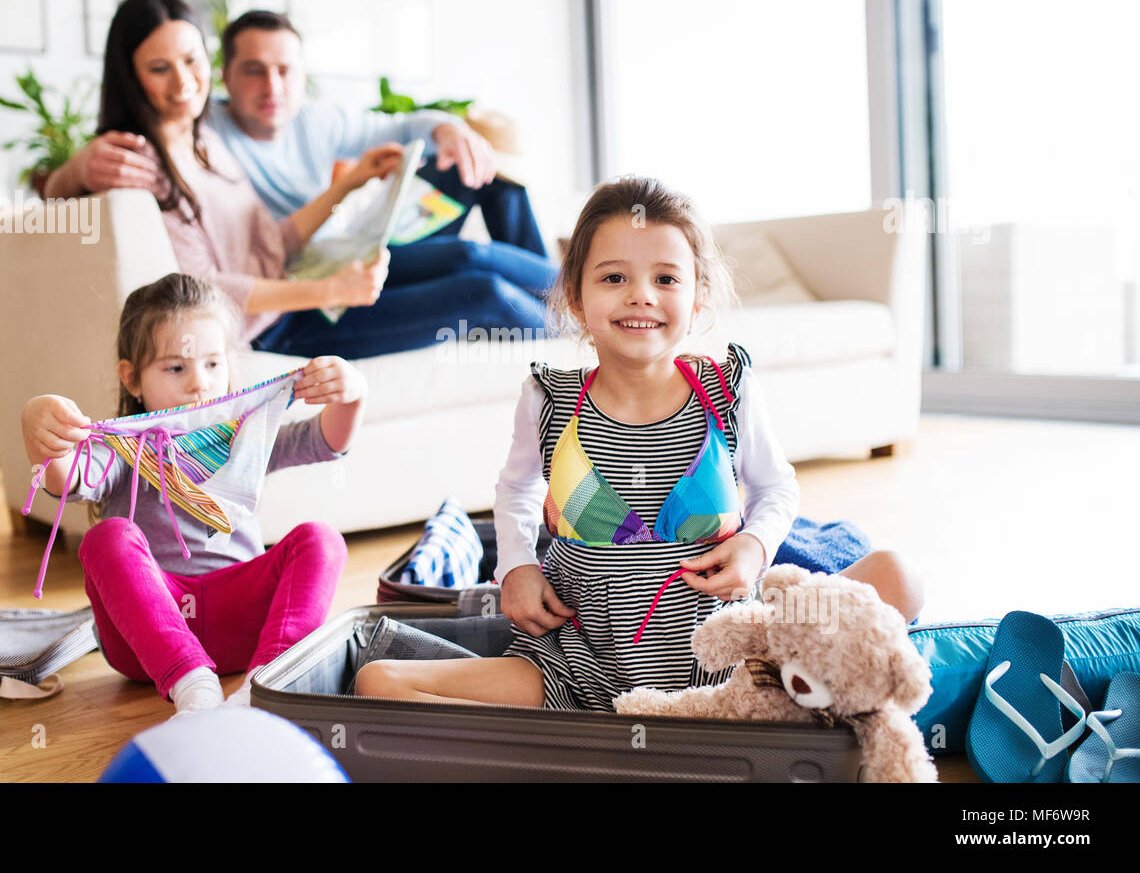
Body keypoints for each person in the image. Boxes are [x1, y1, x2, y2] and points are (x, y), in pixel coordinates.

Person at [354, 176, 925, 710]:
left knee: (899, 576)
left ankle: (696, 723)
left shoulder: (728, 388)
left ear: (698, 298)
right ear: (575, 298)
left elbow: (776, 486)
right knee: (377, 681)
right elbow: (515, 490)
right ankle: (595, 744)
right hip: (576, 669)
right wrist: (517, 569)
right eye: (613, 277)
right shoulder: (546, 397)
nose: (641, 296)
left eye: (666, 279)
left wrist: (754, 546)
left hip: (732, 664)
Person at [44, 0, 556, 360]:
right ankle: (593, 355)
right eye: (159, 68)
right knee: (481, 293)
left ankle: (589, 304)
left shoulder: (205, 140)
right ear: (130, 76)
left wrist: (347, 186)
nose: (183, 81)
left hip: (302, 290)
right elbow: (204, 291)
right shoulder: (140, 162)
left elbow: (273, 244)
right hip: (274, 329)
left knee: (478, 259)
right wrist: (331, 291)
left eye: (190, 59)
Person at [20, 272, 365, 716]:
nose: (199, 383)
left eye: (213, 364)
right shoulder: (122, 450)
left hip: (244, 625)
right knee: (106, 537)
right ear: (133, 380)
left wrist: (352, 394)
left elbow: (327, 441)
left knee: (322, 540)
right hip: (147, 643)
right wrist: (40, 429)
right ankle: (191, 683)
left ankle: (269, 683)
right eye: (176, 367)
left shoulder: (248, 437)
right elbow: (66, 480)